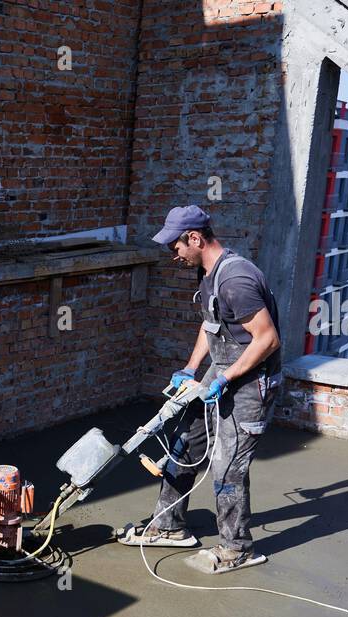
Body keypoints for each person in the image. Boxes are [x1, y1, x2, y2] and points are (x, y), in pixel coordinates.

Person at [119, 205, 283, 574]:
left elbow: (267, 339)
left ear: (195, 238)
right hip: (221, 370)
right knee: (185, 441)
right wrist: (192, 369)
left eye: (175, 246)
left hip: (251, 384)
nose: (172, 254)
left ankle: (237, 546)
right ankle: (169, 525)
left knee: (228, 467)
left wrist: (225, 379)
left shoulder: (235, 279)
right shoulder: (207, 273)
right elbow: (211, 326)